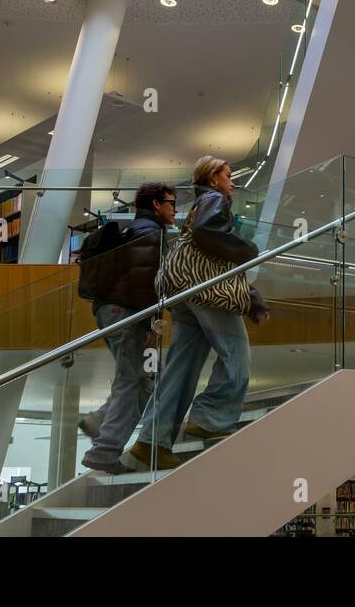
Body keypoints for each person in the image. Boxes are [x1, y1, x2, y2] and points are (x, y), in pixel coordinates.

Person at [127, 156, 267, 470]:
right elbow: (209, 233)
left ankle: (152, 441)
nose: (232, 181)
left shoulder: (200, 203)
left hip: (181, 288)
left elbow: (212, 249)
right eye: (228, 175)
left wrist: (252, 297)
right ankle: (211, 419)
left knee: (181, 367)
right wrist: (250, 249)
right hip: (206, 289)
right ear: (213, 178)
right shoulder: (216, 199)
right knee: (237, 357)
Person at [79, 182, 177, 474]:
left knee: (142, 380)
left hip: (113, 310)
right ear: (157, 204)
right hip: (126, 313)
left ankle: (99, 422)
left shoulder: (138, 230)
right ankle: (104, 451)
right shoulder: (148, 232)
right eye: (171, 202)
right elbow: (144, 283)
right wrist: (151, 323)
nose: (175, 209)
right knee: (131, 380)